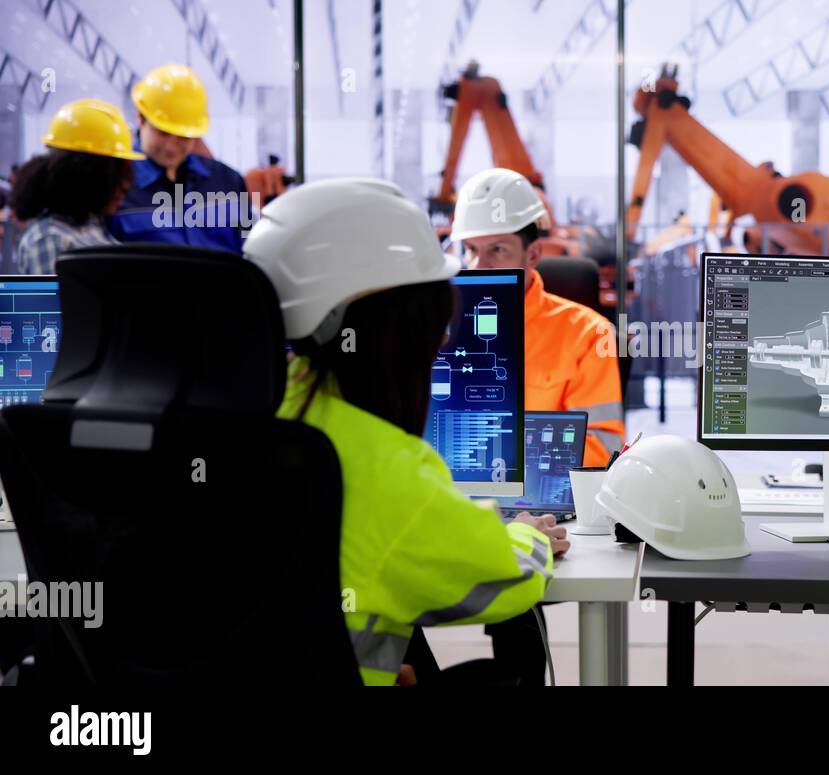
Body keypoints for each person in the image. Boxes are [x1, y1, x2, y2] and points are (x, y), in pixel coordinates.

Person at [243, 178, 570, 686]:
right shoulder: (389, 468)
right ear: (402, 326)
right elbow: (505, 579)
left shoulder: (245, 414)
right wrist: (530, 534)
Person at [449, 167, 625, 466]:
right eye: (470, 250)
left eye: (497, 250)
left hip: (545, 500)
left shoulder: (587, 334)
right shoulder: (441, 329)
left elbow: (604, 448)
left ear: (532, 254)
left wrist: (500, 451)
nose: (478, 266)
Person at [108, 63, 249, 252]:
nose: (172, 146)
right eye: (163, 133)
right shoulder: (113, 186)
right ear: (140, 118)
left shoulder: (228, 182)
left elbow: (250, 250)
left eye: (184, 136)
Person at [11, 99, 141, 274]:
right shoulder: (51, 240)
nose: (124, 186)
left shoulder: (92, 226)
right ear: (85, 177)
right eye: (116, 175)